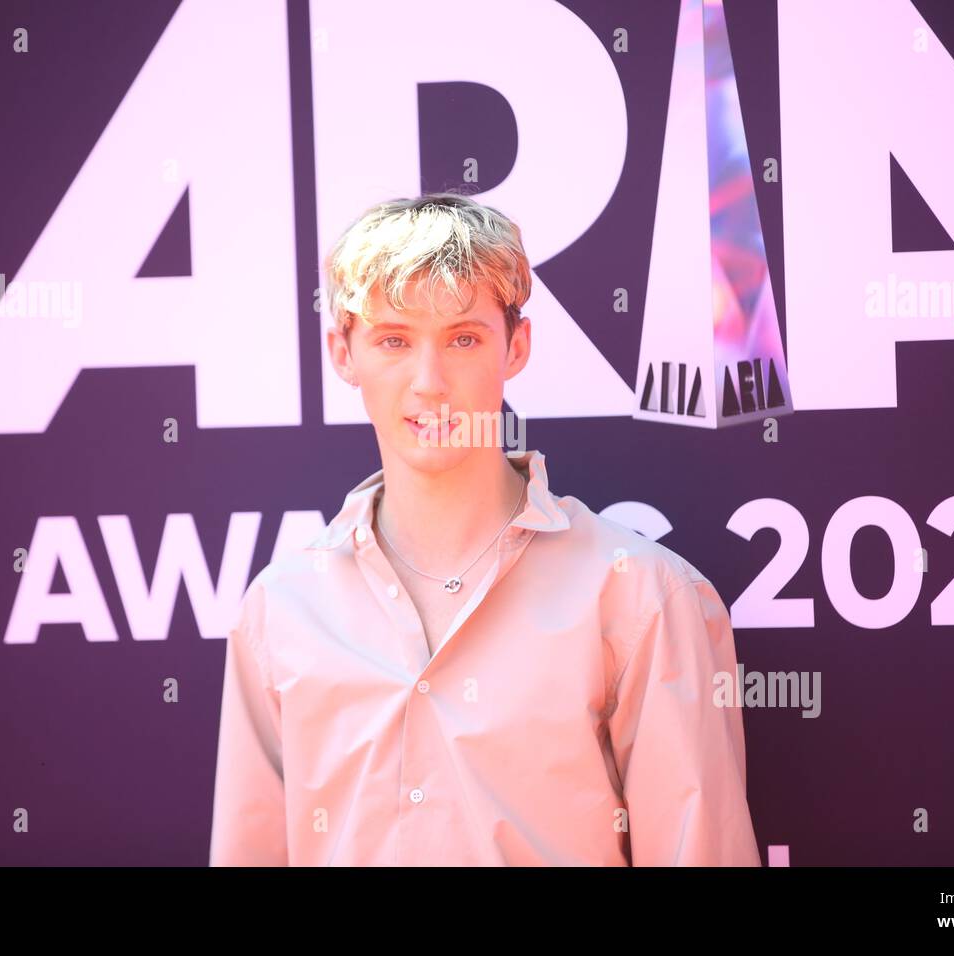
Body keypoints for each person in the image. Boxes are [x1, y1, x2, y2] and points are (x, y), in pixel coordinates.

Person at [209, 193, 761, 866]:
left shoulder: (643, 596)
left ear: (516, 345)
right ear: (342, 353)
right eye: (393, 340)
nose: (429, 382)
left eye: (463, 338)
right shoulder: (280, 611)